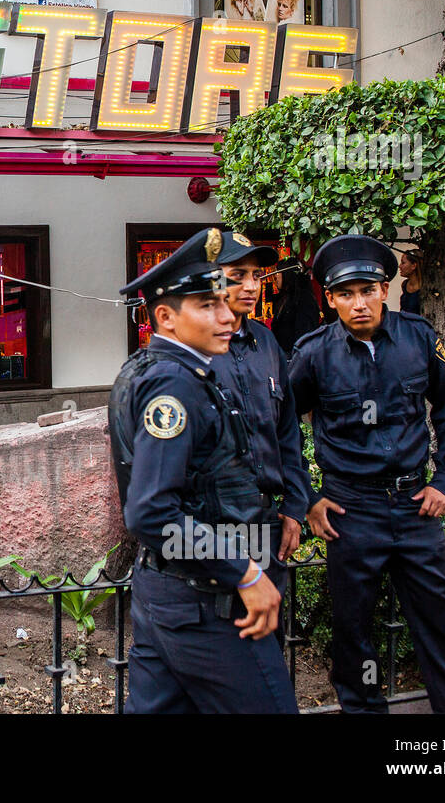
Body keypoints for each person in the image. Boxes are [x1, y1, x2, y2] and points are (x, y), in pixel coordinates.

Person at [289, 234, 445, 714]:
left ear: (385, 291)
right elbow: (281, 428)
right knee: (352, 633)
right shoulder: (314, 353)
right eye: (347, 294)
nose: (359, 303)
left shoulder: (419, 338)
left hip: (416, 506)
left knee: (442, 621)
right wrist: (306, 498)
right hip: (350, 511)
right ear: (330, 298)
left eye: (368, 290)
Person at [108, 227, 298, 714]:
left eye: (222, 302)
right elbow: (150, 513)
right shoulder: (175, 385)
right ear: (166, 318)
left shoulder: (151, 369)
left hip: (168, 593)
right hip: (205, 601)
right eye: (207, 306)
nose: (225, 315)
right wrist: (246, 573)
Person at [210, 236, 309, 605]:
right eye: (237, 275)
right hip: (211, 528)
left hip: (266, 521)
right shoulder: (191, 349)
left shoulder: (267, 344)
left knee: (269, 643)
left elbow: (287, 432)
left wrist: (295, 508)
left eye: (256, 275)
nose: (251, 285)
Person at [399, 249, 423, 315]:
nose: (399, 266)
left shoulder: (424, 287)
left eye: (403, 263)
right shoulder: (405, 285)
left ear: (413, 266)